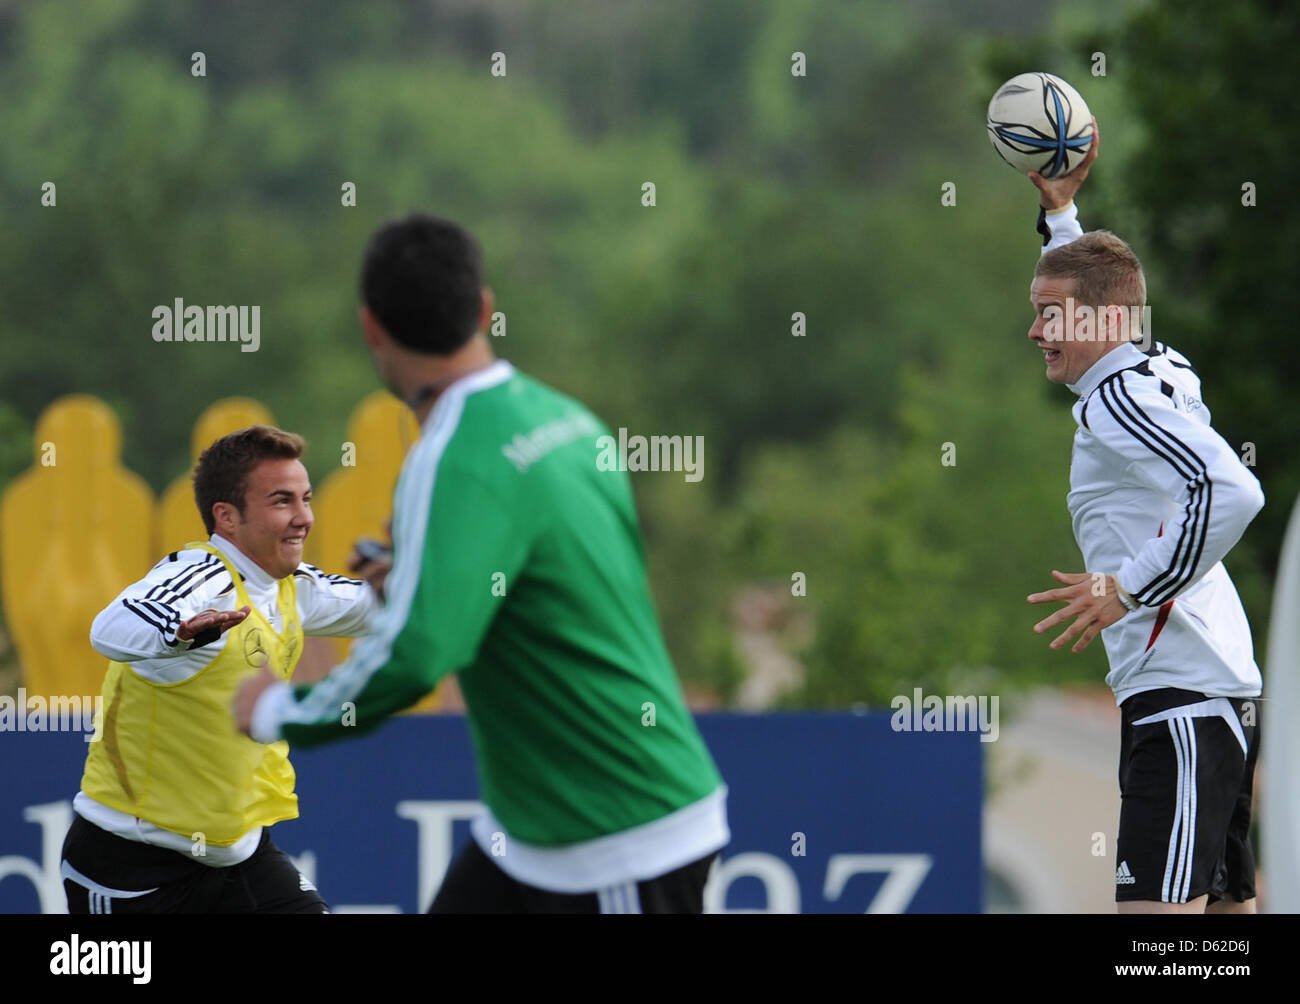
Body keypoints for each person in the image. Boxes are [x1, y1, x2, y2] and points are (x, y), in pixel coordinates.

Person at [234, 213, 729, 914]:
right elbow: (553, 582)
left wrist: (278, 709)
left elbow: (414, 656)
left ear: (372, 327)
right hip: (533, 833)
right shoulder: (568, 420)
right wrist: (426, 575)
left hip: (616, 829)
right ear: (484, 308)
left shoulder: (449, 450)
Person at [1023, 122, 1266, 914]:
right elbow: (1105, 288)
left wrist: (1129, 588)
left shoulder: (1118, 399)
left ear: (1096, 322)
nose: (1035, 331)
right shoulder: (1156, 365)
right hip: (1204, 695)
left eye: (1048, 314)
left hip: (1182, 697)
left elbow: (1233, 490)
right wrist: (1065, 219)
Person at [61, 425, 378, 913]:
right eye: (281, 502)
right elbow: (110, 626)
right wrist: (180, 632)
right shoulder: (194, 577)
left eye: (305, 499)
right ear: (227, 517)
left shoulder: (292, 585)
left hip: (241, 860)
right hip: (133, 870)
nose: (303, 519)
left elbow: (385, 607)